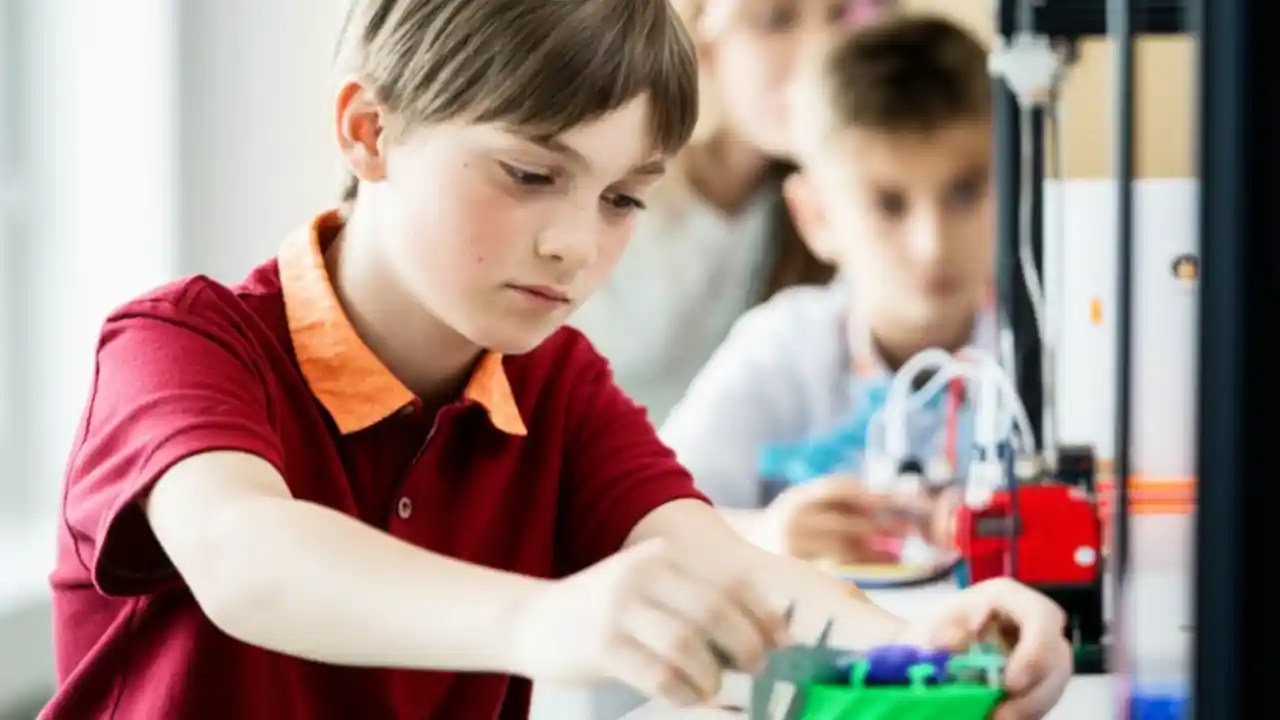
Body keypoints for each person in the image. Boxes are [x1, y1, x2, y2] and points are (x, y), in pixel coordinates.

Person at [44, 3, 1069, 719]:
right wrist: (542, 619)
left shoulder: (557, 385)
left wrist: (932, 640)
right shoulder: (183, 345)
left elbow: (727, 569)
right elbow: (248, 561)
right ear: (368, 130)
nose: (575, 245)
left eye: (623, 198)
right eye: (531, 173)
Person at [662, 16, 998, 566]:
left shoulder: (1056, 349)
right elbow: (649, 519)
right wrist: (766, 536)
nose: (931, 245)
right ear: (814, 215)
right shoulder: (782, 345)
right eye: (888, 204)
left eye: (964, 192)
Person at [569, 0, 905, 425]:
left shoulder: (826, 213)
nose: (823, 48)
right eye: (775, 20)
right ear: (703, 44)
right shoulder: (609, 183)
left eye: (844, 15)